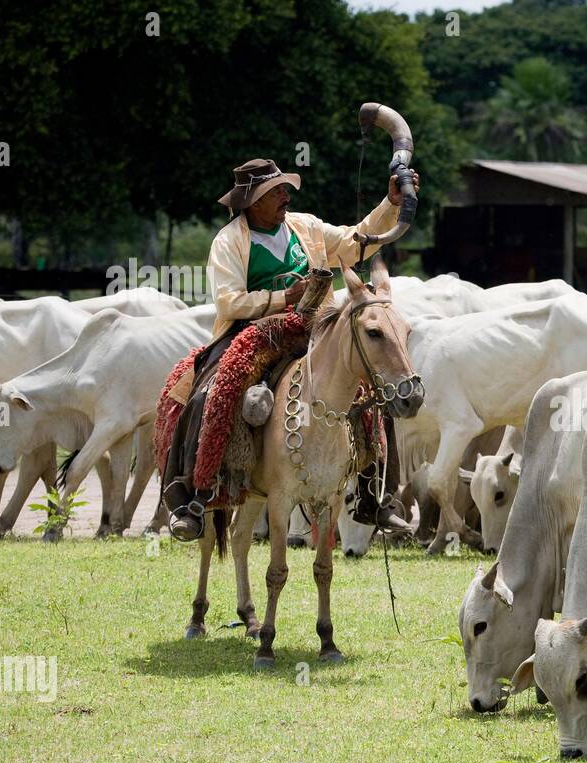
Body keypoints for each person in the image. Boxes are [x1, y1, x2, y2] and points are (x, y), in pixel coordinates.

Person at [161, 157, 421, 541]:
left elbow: (356, 242)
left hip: (316, 328)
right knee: (209, 390)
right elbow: (229, 303)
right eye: (276, 191)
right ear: (252, 201)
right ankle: (193, 496)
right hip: (252, 331)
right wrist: (283, 296)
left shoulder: (306, 226)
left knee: (371, 384)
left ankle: (375, 497)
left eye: (284, 189)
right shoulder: (229, 241)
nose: (286, 196)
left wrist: (391, 204)